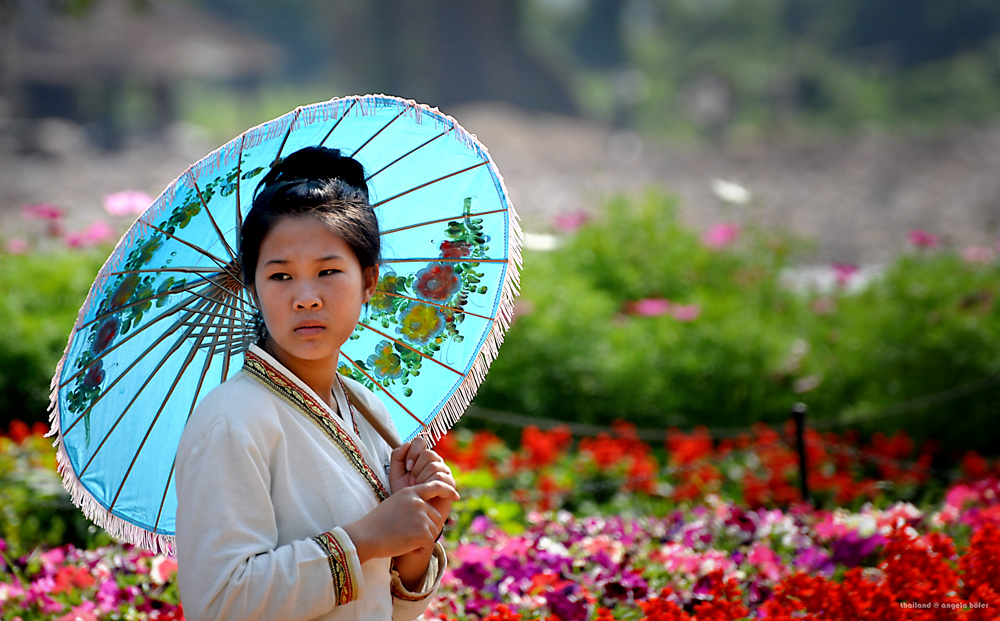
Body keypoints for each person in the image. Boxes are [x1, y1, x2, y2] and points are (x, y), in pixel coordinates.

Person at [174, 146, 459, 621]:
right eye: (281, 275)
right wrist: (366, 538)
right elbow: (220, 604)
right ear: (253, 288)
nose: (305, 298)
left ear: (369, 281)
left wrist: (414, 541)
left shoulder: (367, 410)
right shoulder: (231, 419)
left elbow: (381, 611)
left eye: (328, 272)